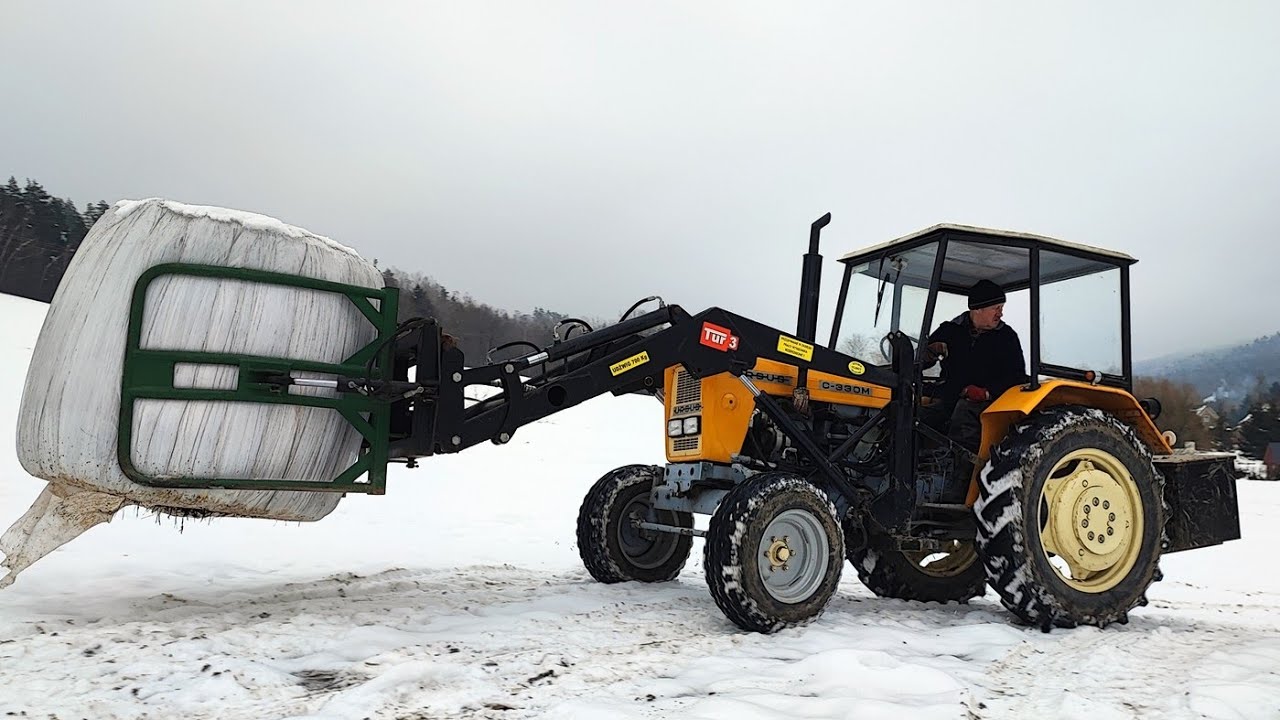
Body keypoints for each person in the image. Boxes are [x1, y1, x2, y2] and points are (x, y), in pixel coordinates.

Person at [921, 279, 1028, 453]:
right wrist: (929, 352)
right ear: (978, 308)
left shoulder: (1006, 337)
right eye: (997, 308)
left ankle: (960, 472)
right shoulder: (950, 330)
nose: (1000, 314)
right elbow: (921, 361)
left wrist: (987, 392)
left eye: (1001, 308)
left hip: (990, 402)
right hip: (951, 395)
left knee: (964, 414)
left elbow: (1017, 377)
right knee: (916, 416)